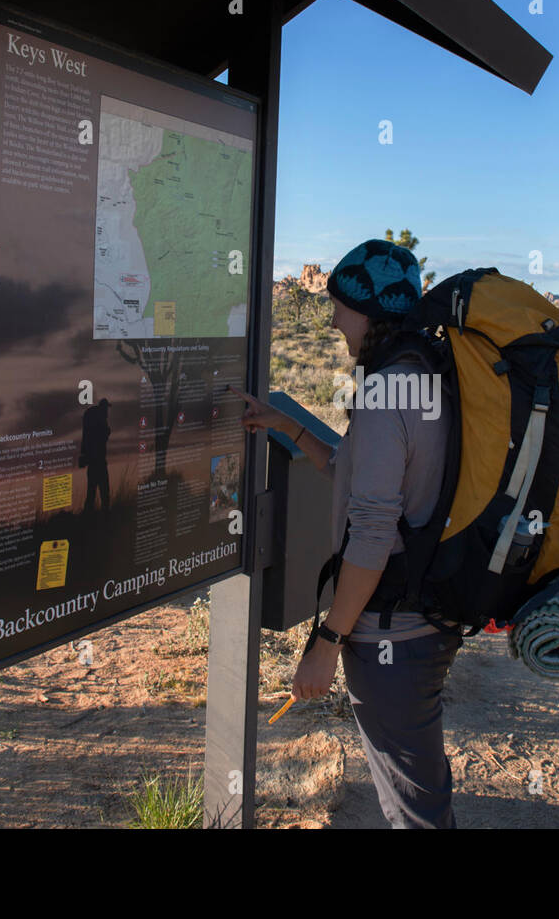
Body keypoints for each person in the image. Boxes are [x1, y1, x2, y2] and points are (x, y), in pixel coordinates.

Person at [230, 239, 462, 828]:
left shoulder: (386, 394)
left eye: (339, 305)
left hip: (393, 635)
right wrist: (287, 425)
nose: (332, 318)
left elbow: (373, 533)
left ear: (369, 312)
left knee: (413, 807)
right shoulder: (422, 375)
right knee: (420, 783)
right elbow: (356, 472)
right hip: (424, 620)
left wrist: (327, 642)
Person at [80, 398, 111, 514]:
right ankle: (104, 517)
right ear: (104, 408)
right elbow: (103, 436)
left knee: (91, 492)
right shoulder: (101, 421)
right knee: (104, 492)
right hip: (100, 462)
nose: (108, 412)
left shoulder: (94, 420)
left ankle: (88, 517)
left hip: (92, 462)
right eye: (107, 408)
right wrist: (107, 432)